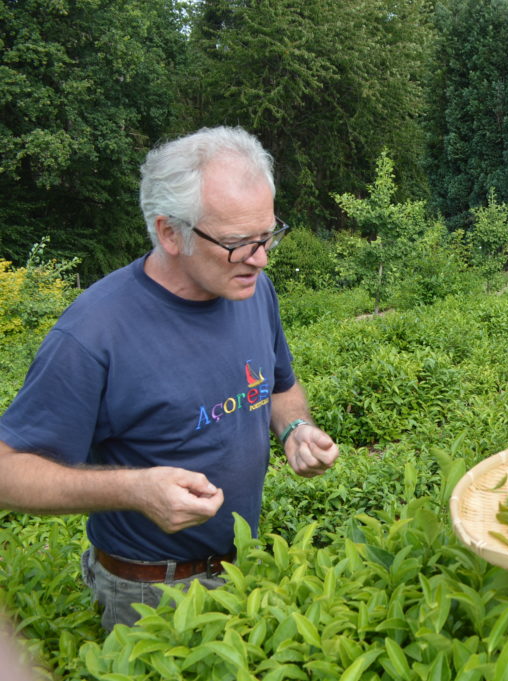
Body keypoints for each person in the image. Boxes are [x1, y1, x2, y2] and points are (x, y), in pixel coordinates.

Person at [0, 126, 339, 630]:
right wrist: (135, 489)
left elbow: (279, 387)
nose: (262, 258)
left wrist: (295, 429)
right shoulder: (94, 333)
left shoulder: (252, 289)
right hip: (148, 591)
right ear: (169, 232)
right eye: (237, 243)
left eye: (267, 236)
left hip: (241, 566)